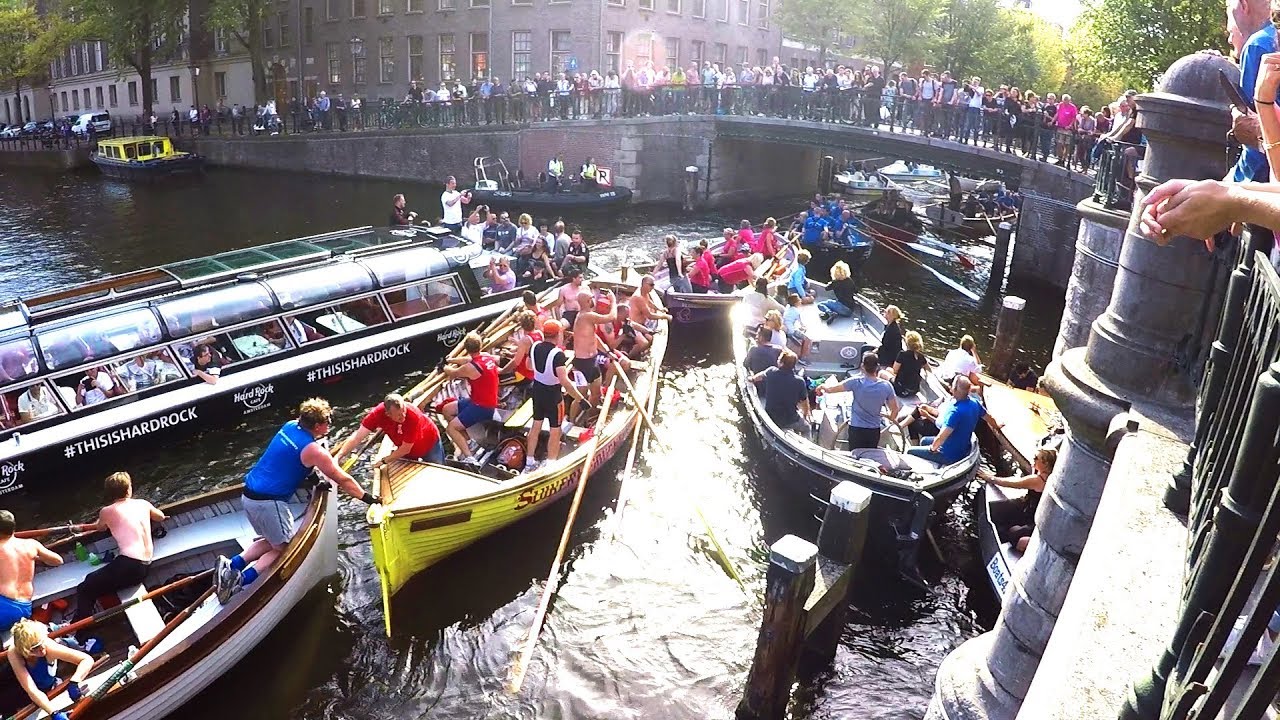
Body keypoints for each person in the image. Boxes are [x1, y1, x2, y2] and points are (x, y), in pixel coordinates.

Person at [215, 399, 378, 603]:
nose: (330, 424)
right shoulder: (314, 450)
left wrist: (315, 481)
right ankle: (240, 580)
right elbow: (342, 479)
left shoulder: (290, 426)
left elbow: (292, 460)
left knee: (270, 540)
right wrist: (368, 498)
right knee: (282, 549)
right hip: (268, 503)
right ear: (317, 426)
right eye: (327, 421)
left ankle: (233, 565)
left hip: (248, 496)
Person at [70, 472, 164, 632]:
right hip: (144, 567)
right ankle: (84, 623)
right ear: (129, 489)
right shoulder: (143, 504)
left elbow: (100, 527)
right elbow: (160, 517)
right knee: (94, 582)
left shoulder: (107, 511)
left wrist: (79, 528)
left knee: (85, 588)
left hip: (129, 565)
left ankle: (78, 632)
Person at [524, 321, 589, 470]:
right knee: (555, 430)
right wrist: (580, 399)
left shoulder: (534, 346)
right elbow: (565, 381)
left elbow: (529, 366)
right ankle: (551, 463)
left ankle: (529, 461)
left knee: (536, 425)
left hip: (537, 391)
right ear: (558, 334)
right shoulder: (558, 354)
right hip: (553, 395)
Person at [7, 619, 93, 720]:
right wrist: (54, 713)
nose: (42, 648)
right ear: (25, 650)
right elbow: (31, 689)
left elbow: (86, 659)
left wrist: (74, 682)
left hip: (43, 687)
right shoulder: (14, 652)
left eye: (42, 642)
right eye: (36, 647)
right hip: (18, 683)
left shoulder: (49, 648)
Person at [815, 352, 899, 450]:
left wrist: (822, 386)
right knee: (870, 454)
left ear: (862, 366)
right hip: (874, 430)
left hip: (856, 429)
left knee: (855, 454)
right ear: (877, 367)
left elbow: (830, 390)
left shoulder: (855, 382)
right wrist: (889, 422)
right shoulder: (886, 386)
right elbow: (895, 409)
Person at [336, 392, 444, 469]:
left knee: (439, 471)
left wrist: (384, 460)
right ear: (388, 414)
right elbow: (357, 437)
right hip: (407, 450)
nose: (403, 416)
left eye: (404, 411)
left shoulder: (413, 416)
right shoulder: (377, 415)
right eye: (398, 415)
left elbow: (405, 449)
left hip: (429, 443)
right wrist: (339, 456)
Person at [980, 446, 1057, 553]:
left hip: (1029, 512)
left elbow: (1011, 484)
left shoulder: (1036, 480)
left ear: (1046, 464)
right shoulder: (1050, 477)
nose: (1033, 460)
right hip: (1032, 508)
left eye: (1036, 458)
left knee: (999, 514)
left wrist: (989, 478)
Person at [440, 333, 500, 466]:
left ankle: (470, 457)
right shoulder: (486, 356)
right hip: (478, 401)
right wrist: (451, 360)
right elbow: (467, 360)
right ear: (480, 346)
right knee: (447, 409)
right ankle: (468, 440)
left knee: (451, 428)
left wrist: (443, 367)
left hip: (482, 407)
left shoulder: (470, 368)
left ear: (466, 349)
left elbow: (453, 373)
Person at [0, 511, 61, 630]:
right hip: (24, 608)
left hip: (3, 608)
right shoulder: (31, 544)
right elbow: (58, 561)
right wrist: (34, 557)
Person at [906, 376, 985, 465]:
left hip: (948, 455)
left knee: (910, 451)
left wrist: (932, 449)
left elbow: (941, 437)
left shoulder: (955, 412)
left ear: (954, 389)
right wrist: (996, 426)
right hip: (963, 449)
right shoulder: (975, 403)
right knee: (924, 441)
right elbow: (990, 419)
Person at [570, 289, 618, 408]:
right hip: (582, 363)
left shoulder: (586, 316)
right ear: (588, 301)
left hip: (593, 360)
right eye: (592, 298)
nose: (594, 300)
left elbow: (594, 337)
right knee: (580, 396)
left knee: (596, 394)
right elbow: (612, 317)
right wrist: (613, 301)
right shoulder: (587, 316)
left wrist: (607, 352)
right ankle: (573, 418)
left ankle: (590, 415)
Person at [749, 350, 810, 433]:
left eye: (778, 359)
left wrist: (751, 379)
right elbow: (804, 403)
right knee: (807, 428)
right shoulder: (800, 381)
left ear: (781, 363)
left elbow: (756, 378)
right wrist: (805, 415)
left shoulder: (771, 371)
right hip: (790, 420)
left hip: (771, 416)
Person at [886, 330, 929, 397]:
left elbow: (895, 370)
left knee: (884, 372)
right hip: (913, 391)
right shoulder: (921, 356)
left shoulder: (902, 354)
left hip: (901, 390)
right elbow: (928, 368)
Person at [743, 325, 782, 396]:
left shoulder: (754, 349)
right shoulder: (779, 350)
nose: (756, 336)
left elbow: (746, 364)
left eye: (757, 334)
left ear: (761, 337)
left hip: (760, 386)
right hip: (774, 387)